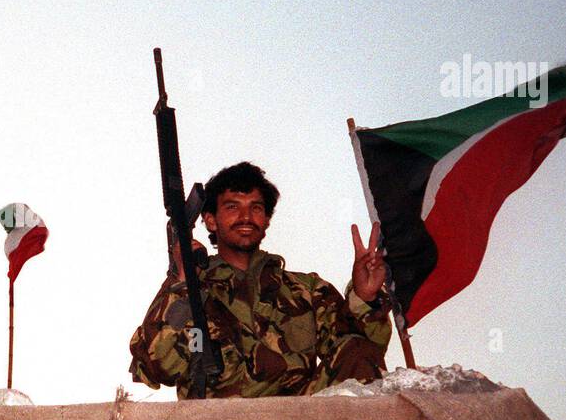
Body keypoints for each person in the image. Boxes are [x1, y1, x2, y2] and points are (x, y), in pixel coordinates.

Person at [130, 161, 391, 398]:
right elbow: (155, 368)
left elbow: (363, 353)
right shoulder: (191, 291)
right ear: (210, 221)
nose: (246, 217)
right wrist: (184, 283)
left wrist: (364, 298)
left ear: (266, 220)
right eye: (232, 207)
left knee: (356, 348)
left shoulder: (305, 290)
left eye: (255, 208)